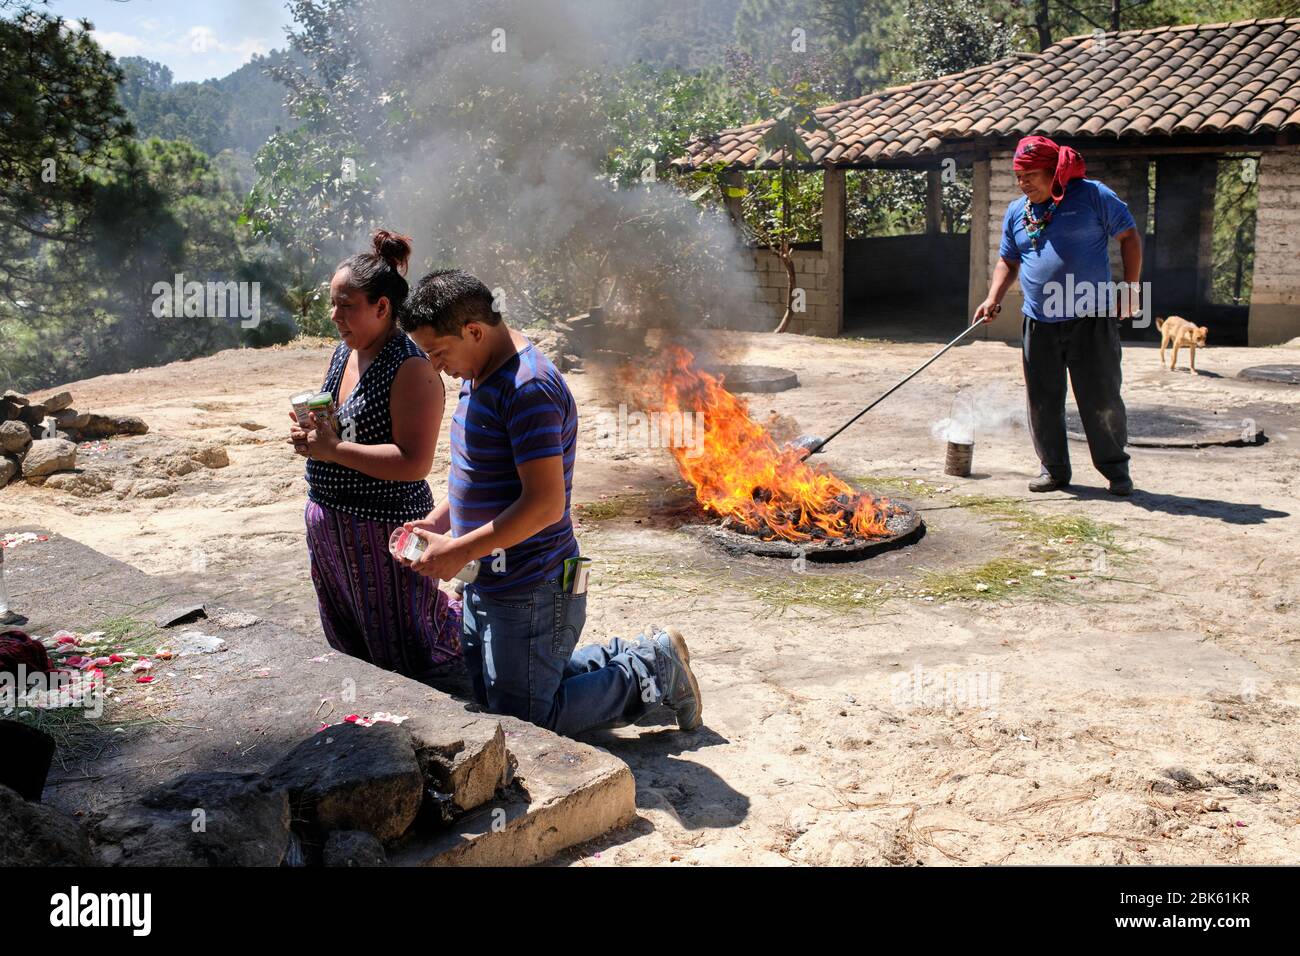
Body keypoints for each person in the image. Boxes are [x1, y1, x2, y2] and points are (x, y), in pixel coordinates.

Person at [395, 269, 702, 735]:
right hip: (488, 577)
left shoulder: (527, 389)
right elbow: (479, 474)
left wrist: (459, 550)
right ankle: (645, 655)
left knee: (529, 719)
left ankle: (656, 673)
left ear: (474, 331)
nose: (435, 365)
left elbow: (543, 505)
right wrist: (439, 524)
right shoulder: (477, 371)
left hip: (532, 586)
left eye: (438, 352)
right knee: (495, 697)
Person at [289, 230, 461, 683]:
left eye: (346, 306)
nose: (334, 315)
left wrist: (334, 449)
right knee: (355, 650)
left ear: (382, 307)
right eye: (332, 303)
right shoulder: (343, 354)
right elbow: (342, 430)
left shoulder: (411, 367)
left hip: (383, 533)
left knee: (411, 651)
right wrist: (314, 436)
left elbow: (413, 462)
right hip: (331, 525)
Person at [972, 135, 1142, 496]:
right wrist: (992, 298)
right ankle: (1054, 469)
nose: (1023, 183)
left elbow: (1129, 236)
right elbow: (1008, 259)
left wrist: (1130, 289)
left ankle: (1115, 471)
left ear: (1056, 172)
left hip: (1091, 317)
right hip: (1039, 321)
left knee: (1101, 397)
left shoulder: (1093, 195)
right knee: (1043, 399)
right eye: (1019, 176)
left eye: (1031, 175)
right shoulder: (1019, 211)